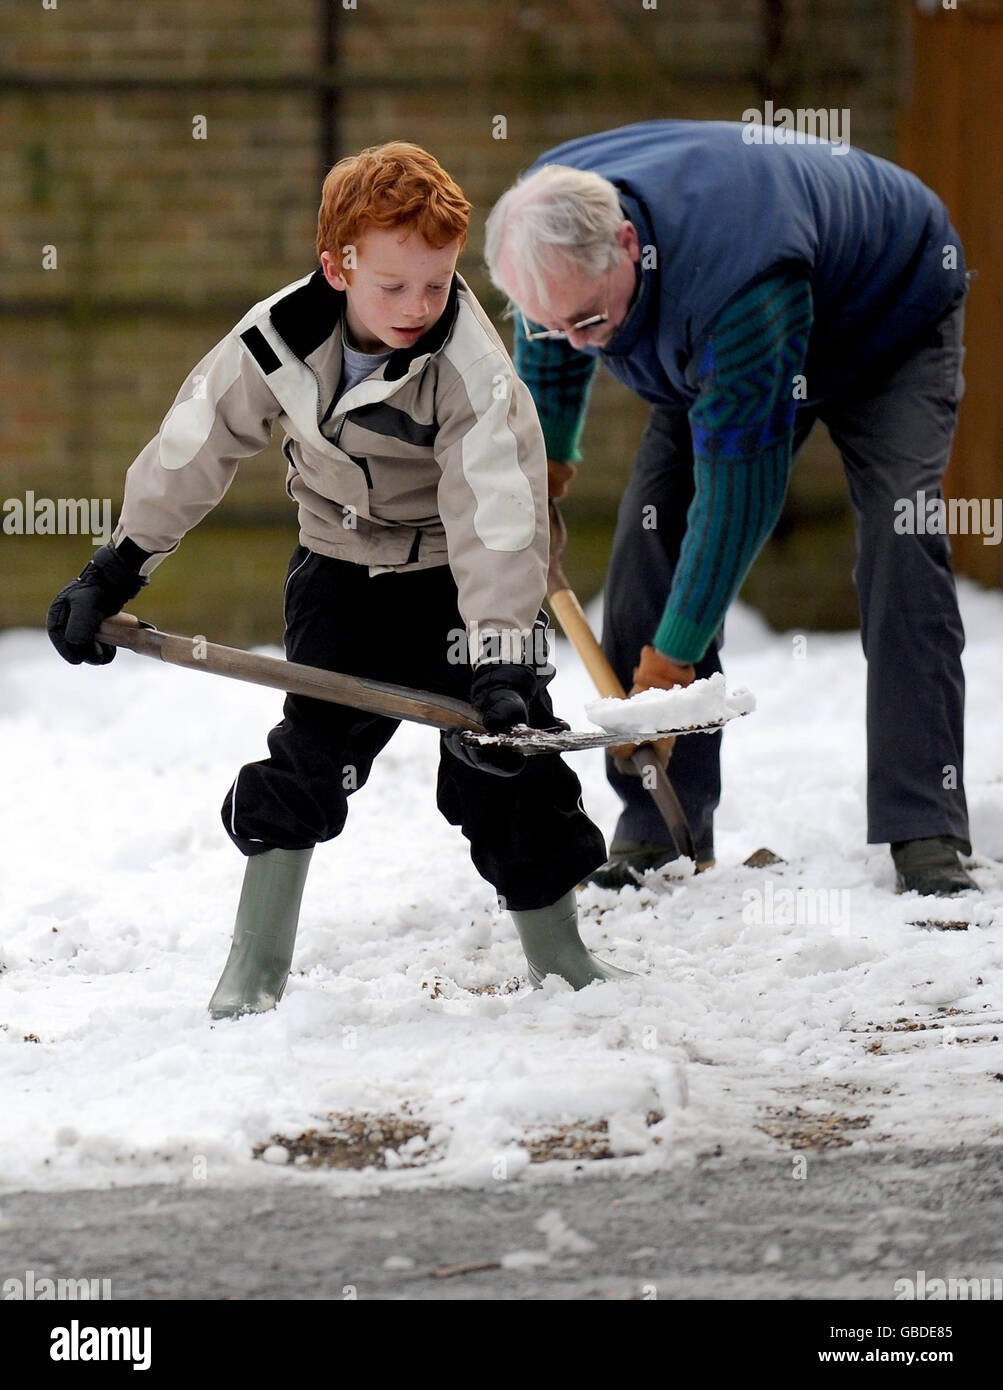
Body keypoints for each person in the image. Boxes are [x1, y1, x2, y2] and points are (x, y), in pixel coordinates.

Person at [46, 141, 629, 1018]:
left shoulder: (472, 368)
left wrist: (501, 658)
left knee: (506, 765)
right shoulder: (275, 340)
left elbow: (496, 517)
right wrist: (114, 568)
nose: (417, 307)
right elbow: (192, 448)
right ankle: (253, 972)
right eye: (392, 287)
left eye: (434, 285)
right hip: (339, 575)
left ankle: (562, 956)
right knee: (312, 756)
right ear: (336, 267)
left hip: (455, 582)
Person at [484, 118, 978, 897]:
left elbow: (740, 495)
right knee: (649, 532)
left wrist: (671, 660)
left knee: (898, 535)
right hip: (721, 321)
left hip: (882, 321)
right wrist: (537, 483)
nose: (575, 344)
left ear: (623, 243)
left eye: (588, 323)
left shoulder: (735, 283)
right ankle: (657, 826)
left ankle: (925, 828)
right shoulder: (544, 228)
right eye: (550, 323)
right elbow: (549, 357)